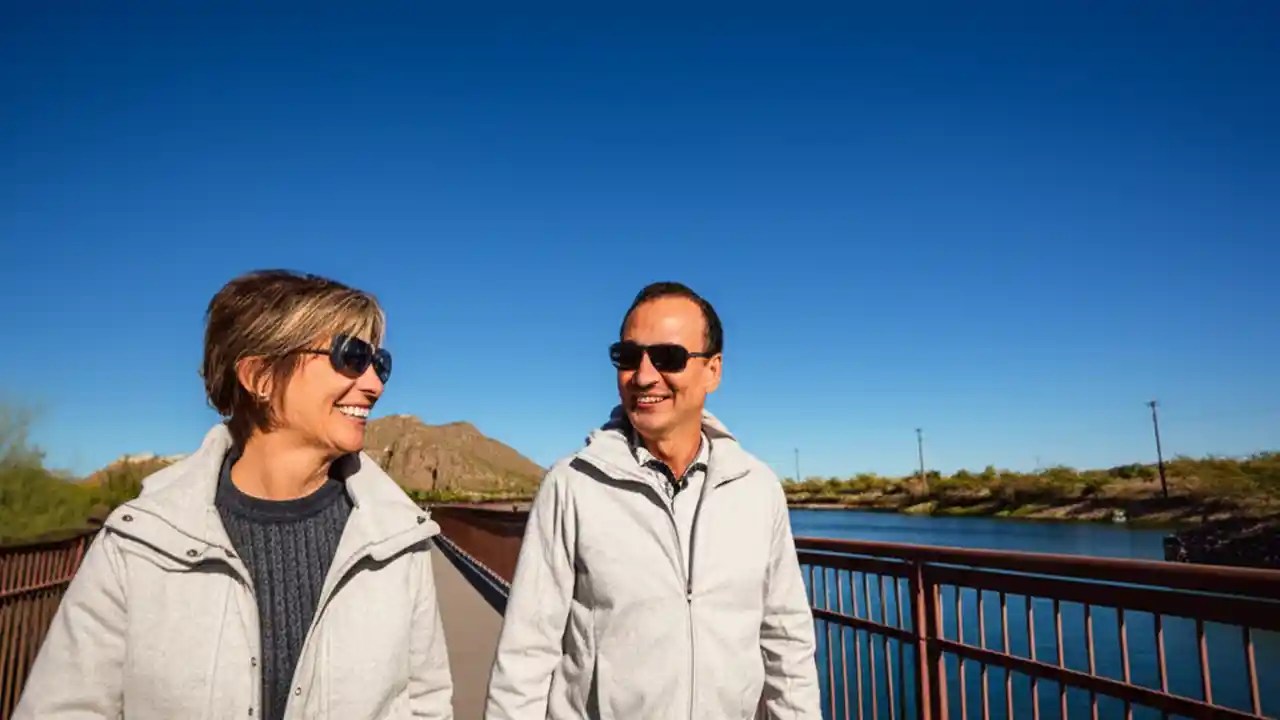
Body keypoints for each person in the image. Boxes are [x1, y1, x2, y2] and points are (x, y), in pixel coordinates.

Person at [15, 270, 453, 719]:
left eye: (380, 363)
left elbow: (425, 704)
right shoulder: (138, 541)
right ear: (260, 376)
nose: (375, 385)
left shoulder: (398, 539)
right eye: (352, 356)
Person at [485, 282, 821, 719]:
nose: (643, 376)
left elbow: (786, 643)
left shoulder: (757, 488)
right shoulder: (572, 484)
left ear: (713, 371)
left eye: (668, 358)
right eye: (628, 357)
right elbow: (526, 653)